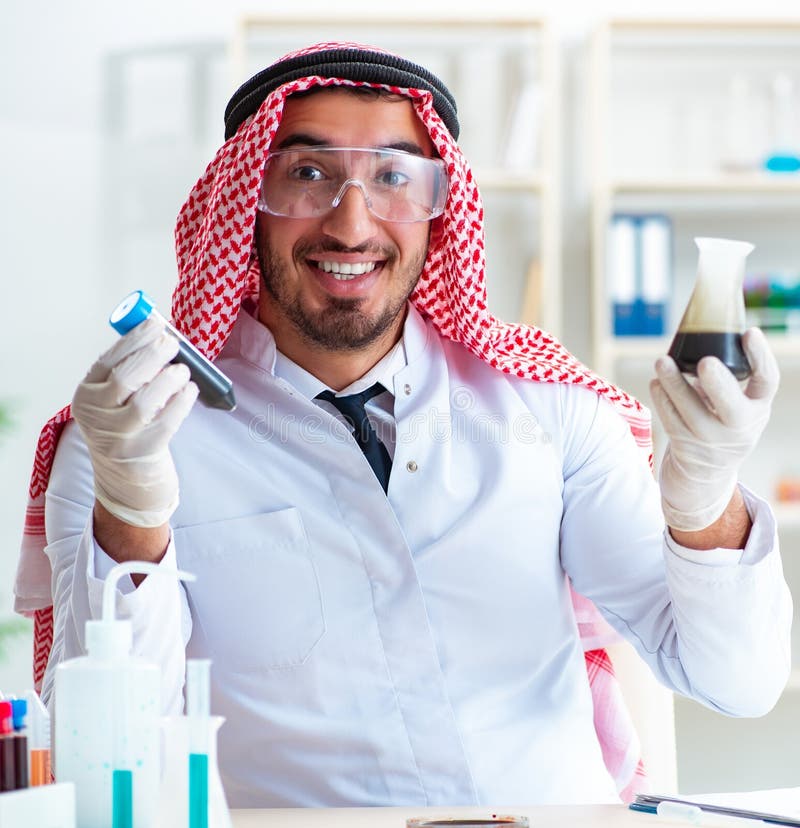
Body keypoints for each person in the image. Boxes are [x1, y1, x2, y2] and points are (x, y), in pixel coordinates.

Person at [14, 42, 791, 808]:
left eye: (393, 177)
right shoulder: (131, 437)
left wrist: (702, 505)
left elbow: (738, 683)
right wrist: (133, 516)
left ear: (437, 210)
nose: (351, 225)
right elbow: (106, 754)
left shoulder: (546, 406)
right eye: (307, 174)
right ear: (245, 196)